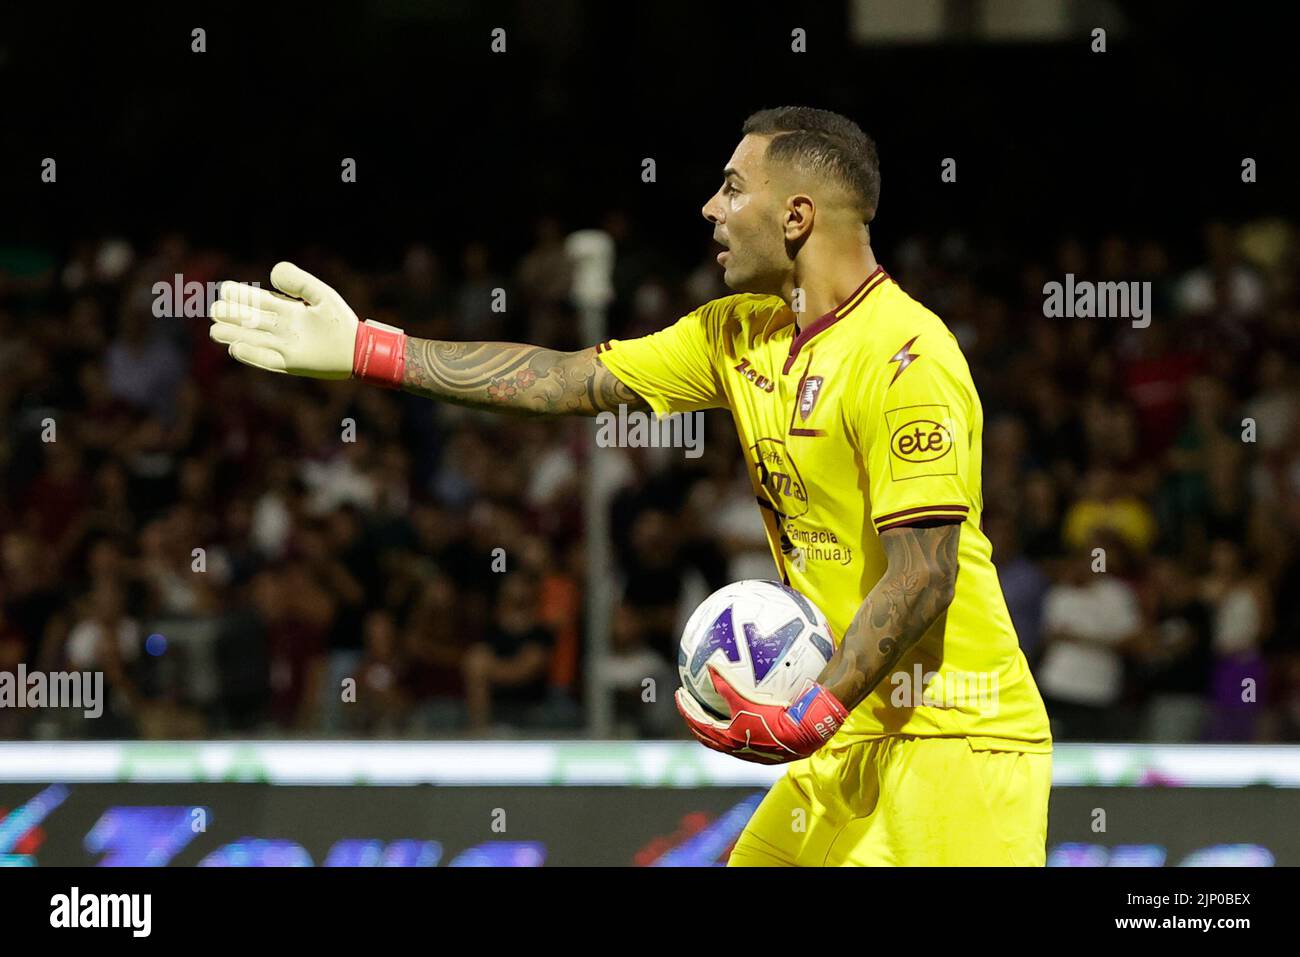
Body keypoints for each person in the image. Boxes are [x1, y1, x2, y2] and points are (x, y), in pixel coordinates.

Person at [209, 106, 1052, 866]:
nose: (709, 210)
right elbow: (569, 381)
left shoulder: (907, 357)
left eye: (732, 188)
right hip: (845, 742)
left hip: (955, 744)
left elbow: (923, 574)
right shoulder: (740, 333)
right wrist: (371, 350)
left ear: (797, 215)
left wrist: (814, 711)